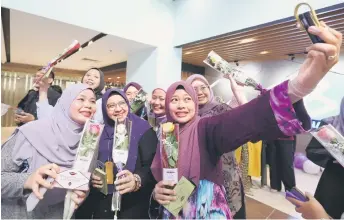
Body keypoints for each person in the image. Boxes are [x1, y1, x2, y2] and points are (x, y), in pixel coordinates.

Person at [150, 22, 341, 219]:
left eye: (187, 99)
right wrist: (157, 191)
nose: (181, 105)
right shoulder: (165, 132)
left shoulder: (206, 127)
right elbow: (158, 175)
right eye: (174, 100)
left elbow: (245, 119)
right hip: (173, 210)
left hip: (205, 210)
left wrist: (299, 87)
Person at [1, 84, 96, 219]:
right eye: (81, 99)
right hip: (20, 213)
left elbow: (80, 179)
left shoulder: (89, 141)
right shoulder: (31, 132)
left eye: (93, 101)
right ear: (65, 102)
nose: (88, 105)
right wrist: (26, 180)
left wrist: (81, 194)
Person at [75, 88, 158, 219]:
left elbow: (153, 166)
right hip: (101, 202)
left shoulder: (143, 129)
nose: (118, 109)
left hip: (133, 203)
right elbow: (88, 163)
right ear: (104, 109)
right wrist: (91, 177)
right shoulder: (98, 131)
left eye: (122, 103)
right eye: (111, 106)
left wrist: (137, 179)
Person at [186, 74, 247, 219]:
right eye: (194, 89)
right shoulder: (186, 115)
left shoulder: (222, 110)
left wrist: (238, 93)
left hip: (227, 177)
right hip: (195, 181)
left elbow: (247, 121)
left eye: (203, 87)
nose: (200, 92)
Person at [305, 97, 344, 219]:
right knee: (324, 214)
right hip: (333, 181)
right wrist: (334, 153)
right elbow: (312, 150)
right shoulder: (329, 124)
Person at [36, 68, 105, 121]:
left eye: (96, 77)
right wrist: (43, 89)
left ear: (101, 82)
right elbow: (51, 116)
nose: (90, 78)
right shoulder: (70, 94)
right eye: (88, 75)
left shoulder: (102, 101)